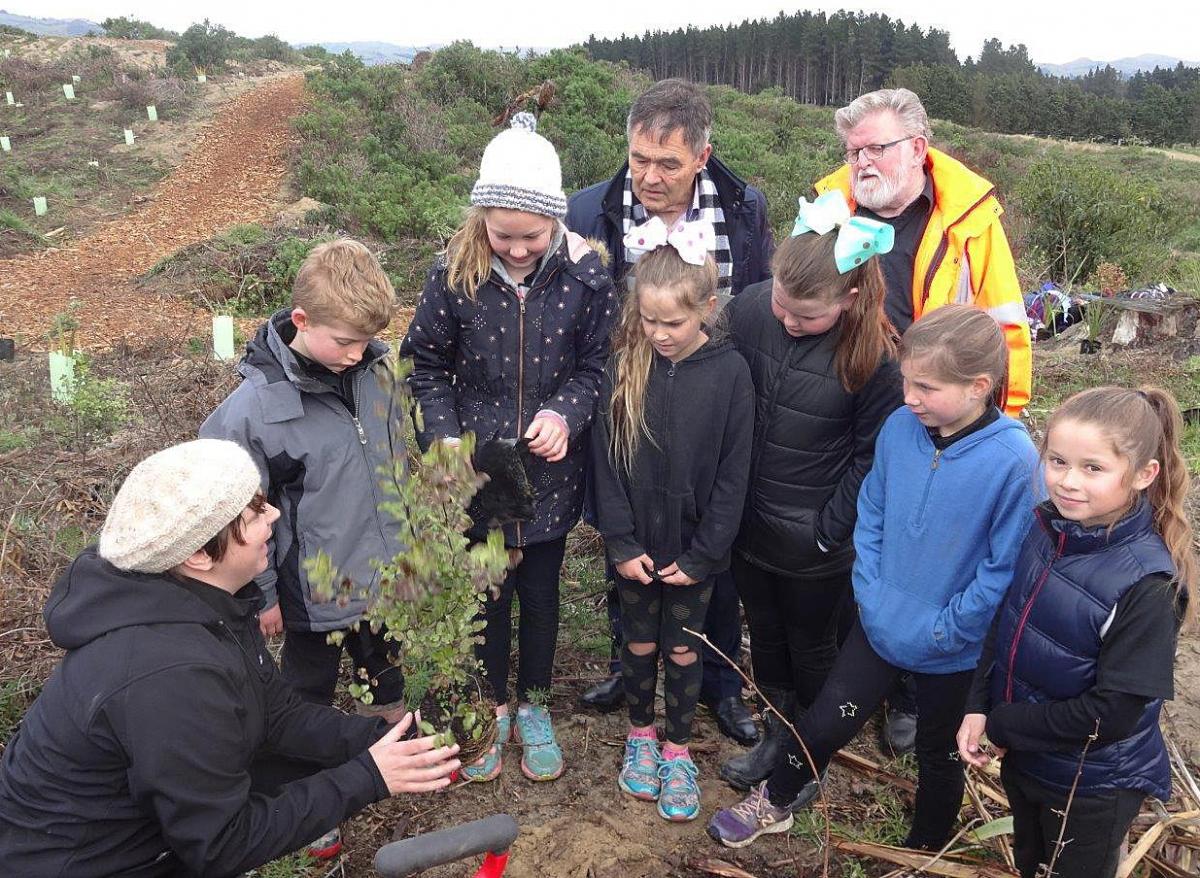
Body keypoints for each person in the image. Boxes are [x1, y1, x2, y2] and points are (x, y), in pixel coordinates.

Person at [0, 439, 461, 877]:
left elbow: (276, 716)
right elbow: (222, 842)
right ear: (200, 553)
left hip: (152, 838)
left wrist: (389, 739)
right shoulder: (169, 674)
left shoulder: (204, 601)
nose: (275, 514)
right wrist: (369, 777)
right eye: (255, 511)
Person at [710, 302, 1040, 850]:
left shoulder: (1014, 462)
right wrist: (871, 592)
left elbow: (1003, 570)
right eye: (908, 381)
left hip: (952, 650)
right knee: (822, 725)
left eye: (927, 388)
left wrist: (946, 630)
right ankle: (777, 799)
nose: (909, 398)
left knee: (938, 755)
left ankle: (923, 848)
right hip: (881, 624)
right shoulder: (900, 429)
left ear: (980, 385)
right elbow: (874, 513)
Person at [814, 87, 1034, 752]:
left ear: (917, 147)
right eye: (853, 152)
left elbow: (1003, 320)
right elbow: (801, 292)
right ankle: (853, 665)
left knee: (934, 554)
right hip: (849, 401)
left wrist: (1002, 423)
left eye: (875, 148)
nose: (861, 163)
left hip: (941, 415)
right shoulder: (830, 209)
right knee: (860, 532)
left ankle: (908, 694)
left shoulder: (969, 219)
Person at [401, 113, 616, 783]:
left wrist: (567, 413)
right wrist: (443, 435)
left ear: (556, 222)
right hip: (480, 467)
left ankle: (535, 706)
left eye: (532, 235)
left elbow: (598, 365)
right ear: (480, 224)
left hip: (551, 469)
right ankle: (494, 706)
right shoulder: (453, 276)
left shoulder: (587, 279)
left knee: (544, 596)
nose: (518, 250)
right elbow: (424, 365)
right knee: (490, 595)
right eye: (503, 236)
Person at [567, 77, 773, 744]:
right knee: (626, 553)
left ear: (702, 156)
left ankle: (719, 685)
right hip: (628, 401)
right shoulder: (591, 211)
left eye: (668, 163)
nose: (650, 177)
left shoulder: (742, 211)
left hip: (709, 403)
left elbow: (756, 303)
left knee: (712, 561)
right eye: (639, 160)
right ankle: (626, 670)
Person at [958, 386, 1197, 878]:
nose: (1067, 482)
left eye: (1093, 468)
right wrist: (979, 705)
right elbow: (1008, 621)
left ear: (1143, 475)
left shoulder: (1147, 585)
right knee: (1032, 863)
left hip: (1092, 785)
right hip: (1029, 755)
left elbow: (1113, 715)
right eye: (1057, 461)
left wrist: (1006, 726)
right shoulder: (1049, 529)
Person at [715, 191, 904, 796]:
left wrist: (829, 529)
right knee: (765, 635)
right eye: (782, 307)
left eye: (807, 317)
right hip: (749, 525)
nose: (789, 323)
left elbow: (874, 457)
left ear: (850, 299)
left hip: (817, 543)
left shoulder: (874, 357)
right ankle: (776, 731)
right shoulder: (748, 312)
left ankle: (807, 751)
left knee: (814, 645)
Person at [591, 223, 753, 822]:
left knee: (683, 651)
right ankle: (640, 735)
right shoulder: (624, 366)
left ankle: (678, 748)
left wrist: (706, 553)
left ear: (708, 308)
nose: (659, 334)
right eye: (650, 321)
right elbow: (605, 462)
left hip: (694, 552)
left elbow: (736, 472)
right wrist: (620, 541)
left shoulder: (731, 373)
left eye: (674, 324)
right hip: (636, 546)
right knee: (637, 641)